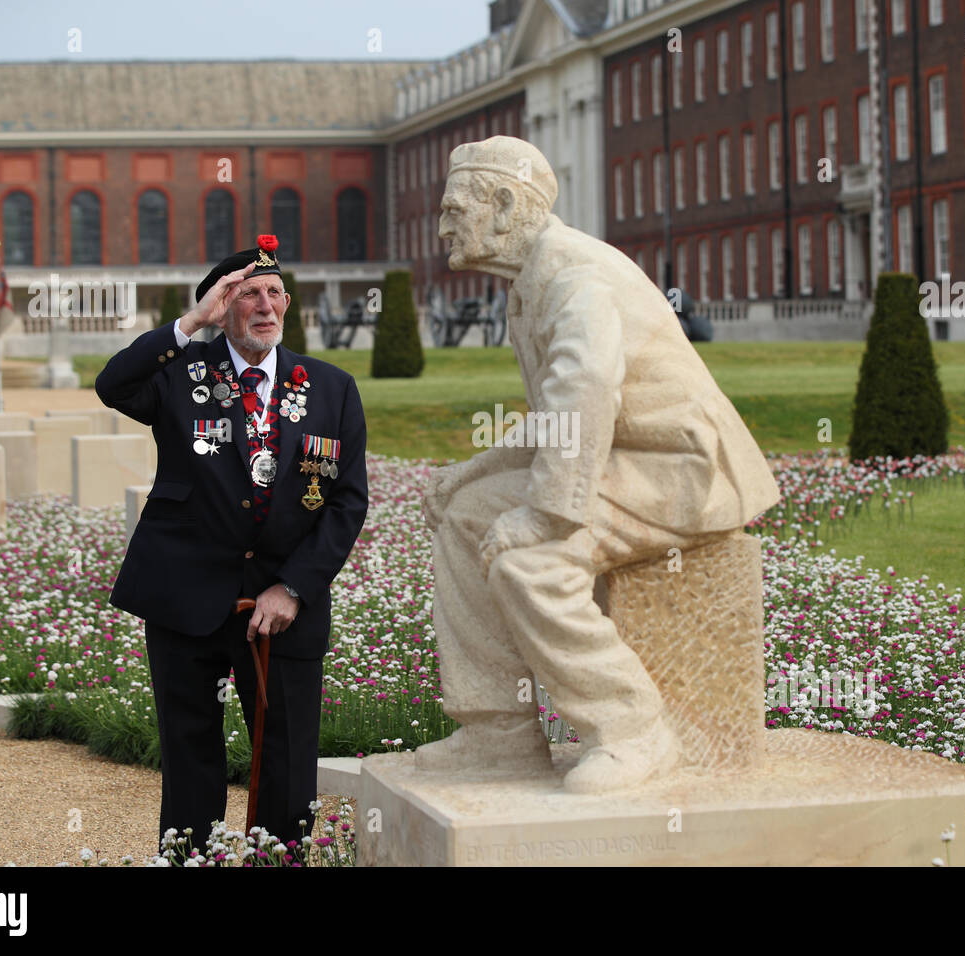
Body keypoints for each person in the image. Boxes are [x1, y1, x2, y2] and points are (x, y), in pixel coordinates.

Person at [417, 137, 780, 793]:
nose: (442, 226)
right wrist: (467, 477)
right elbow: (561, 414)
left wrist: (548, 515)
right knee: (467, 516)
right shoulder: (532, 284)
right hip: (622, 453)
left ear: (501, 207)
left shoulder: (575, 279)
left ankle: (633, 730)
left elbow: (584, 389)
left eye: (452, 209)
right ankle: (498, 732)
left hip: (682, 468)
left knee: (534, 560)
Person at [94, 234, 368, 853]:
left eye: (274, 293)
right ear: (222, 307)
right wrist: (190, 324)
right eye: (247, 295)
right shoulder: (181, 375)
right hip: (184, 596)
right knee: (190, 751)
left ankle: (281, 861)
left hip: (284, 606)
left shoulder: (330, 387)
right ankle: (192, 861)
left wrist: (293, 587)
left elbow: (346, 501)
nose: (265, 306)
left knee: (289, 755)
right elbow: (113, 384)